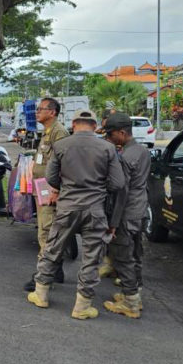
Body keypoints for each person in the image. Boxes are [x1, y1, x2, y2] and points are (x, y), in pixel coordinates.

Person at [27, 109, 126, 320]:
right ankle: (82, 306)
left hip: (67, 207)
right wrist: (98, 188)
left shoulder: (62, 145)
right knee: (91, 257)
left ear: (73, 124)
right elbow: (118, 183)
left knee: (53, 248)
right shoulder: (108, 148)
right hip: (95, 209)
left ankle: (41, 294)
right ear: (95, 126)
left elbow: (51, 178)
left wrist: (67, 187)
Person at [103, 112, 151, 318]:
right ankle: (134, 295)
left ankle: (130, 303)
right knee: (136, 254)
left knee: (123, 257)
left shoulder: (125, 158)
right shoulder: (142, 151)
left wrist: (113, 222)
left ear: (122, 133)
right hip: (141, 209)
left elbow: (121, 192)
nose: (109, 138)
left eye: (111, 134)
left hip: (127, 213)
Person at [22, 98, 70, 292]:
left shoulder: (59, 132)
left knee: (47, 233)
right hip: (42, 188)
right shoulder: (48, 132)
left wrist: (56, 190)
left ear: (52, 112)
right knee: (46, 230)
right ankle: (55, 271)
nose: (37, 112)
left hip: (50, 191)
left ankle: (43, 277)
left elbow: (63, 164)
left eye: (41, 109)